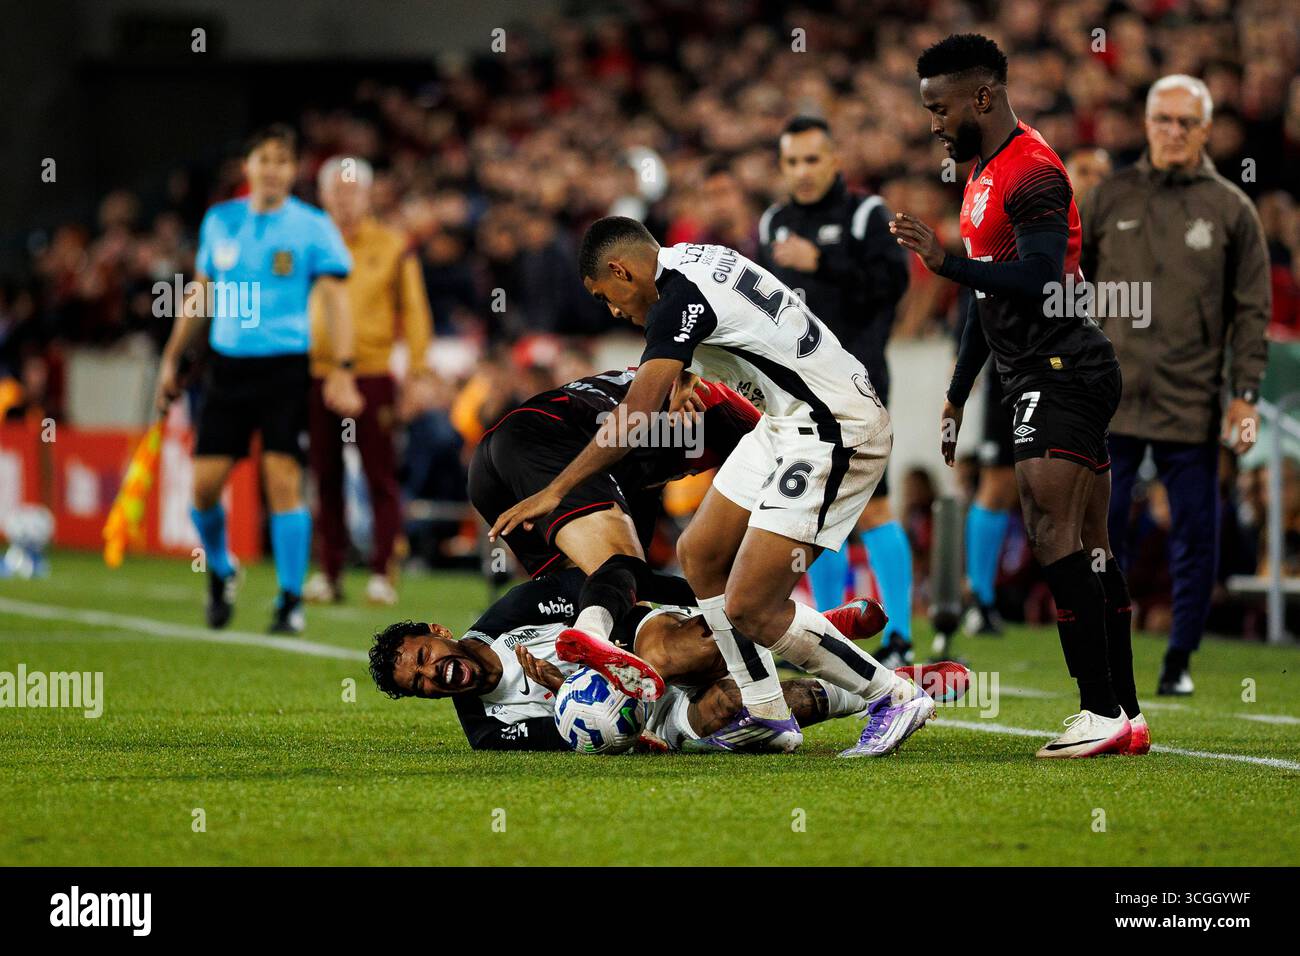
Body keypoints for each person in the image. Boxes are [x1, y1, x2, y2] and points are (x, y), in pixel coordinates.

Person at [490, 217, 934, 758]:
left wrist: (555, 491)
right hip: (786, 422)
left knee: (751, 605)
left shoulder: (675, 299)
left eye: (606, 296)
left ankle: (893, 696)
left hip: (831, 430)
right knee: (699, 554)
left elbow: (635, 416)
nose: (611, 310)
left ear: (620, 270)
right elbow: (733, 322)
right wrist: (686, 377)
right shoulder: (688, 261)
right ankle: (768, 710)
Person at [892, 34, 1144, 757]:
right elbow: (984, 297)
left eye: (940, 108)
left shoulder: (1033, 171)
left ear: (983, 97)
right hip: (1037, 370)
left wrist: (945, 265)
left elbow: (1041, 280)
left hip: (1063, 365)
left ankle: (1098, 711)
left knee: (1053, 533)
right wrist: (957, 390)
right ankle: (1124, 713)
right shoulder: (980, 173)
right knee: (1089, 545)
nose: (934, 123)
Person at [1080, 74, 1270, 695]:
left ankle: (1179, 659)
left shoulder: (1231, 209)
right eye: (1163, 119)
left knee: (1197, 530)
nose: (1173, 132)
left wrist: (1244, 394)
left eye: (1187, 122)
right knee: (1104, 535)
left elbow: (1251, 313)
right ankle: (1112, 654)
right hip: (1113, 396)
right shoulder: (1110, 197)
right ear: (1146, 121)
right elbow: (1072, 291)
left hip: (1191, 402)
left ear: (1207, 130)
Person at [367, 568, 963, 753]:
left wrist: (704, 599)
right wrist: (567, 694)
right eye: (419, 684)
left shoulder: (515, 611)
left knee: (667, 649)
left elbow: (618, 576)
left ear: (438, 633)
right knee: (738, 708)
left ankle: (783, 625)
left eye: (424, 657)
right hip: (653, 720)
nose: (432, 675)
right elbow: (577, 739)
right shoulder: (487, 730)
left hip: (645, 641)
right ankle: (878, 685)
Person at [154, 124, 362, 634]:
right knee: (203, 490)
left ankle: (290, 599)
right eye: (263, 159)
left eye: (282, 161)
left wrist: (343, 367)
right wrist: (171, 358)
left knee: (282, 481)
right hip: (227, 368)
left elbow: (337, 299)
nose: (272, 169)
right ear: (247, 168)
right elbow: (200, 294)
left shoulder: (312, 226)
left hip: (285, 368)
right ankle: (222, 569)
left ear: (294, 171)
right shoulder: (221, 222)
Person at [469, 367, 758, 699]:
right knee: (622, 571)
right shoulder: (741, 417)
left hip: (500, 464)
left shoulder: (660, 430)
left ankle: (589, 697)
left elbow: (638, 583)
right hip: (549, 442)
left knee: (602, 592)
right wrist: (747, 608)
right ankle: (591, 643)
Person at [757, 116, 915, 666]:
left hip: (856, 382)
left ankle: (899, 634)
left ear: (834, 161)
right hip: (795, 390)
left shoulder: (866, 214)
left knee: (874, 507)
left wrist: (823, 262)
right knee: (812, 512)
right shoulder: (773, 221)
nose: (801, 171)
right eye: (791, 161)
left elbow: (893, 283)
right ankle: (831, 633)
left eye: (811, 159)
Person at [304, 156, 434, 608]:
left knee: (380, 474)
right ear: (323, 196)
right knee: (325, 475)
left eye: (353, 190)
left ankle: (382, 571)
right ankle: (330, 570)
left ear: (368, 194)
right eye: (337, 191)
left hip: (373, 371)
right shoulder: (308, 244)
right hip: (316, 371)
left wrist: (417, 372)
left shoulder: (394, 245)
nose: (344, 200)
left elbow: (415, 311)